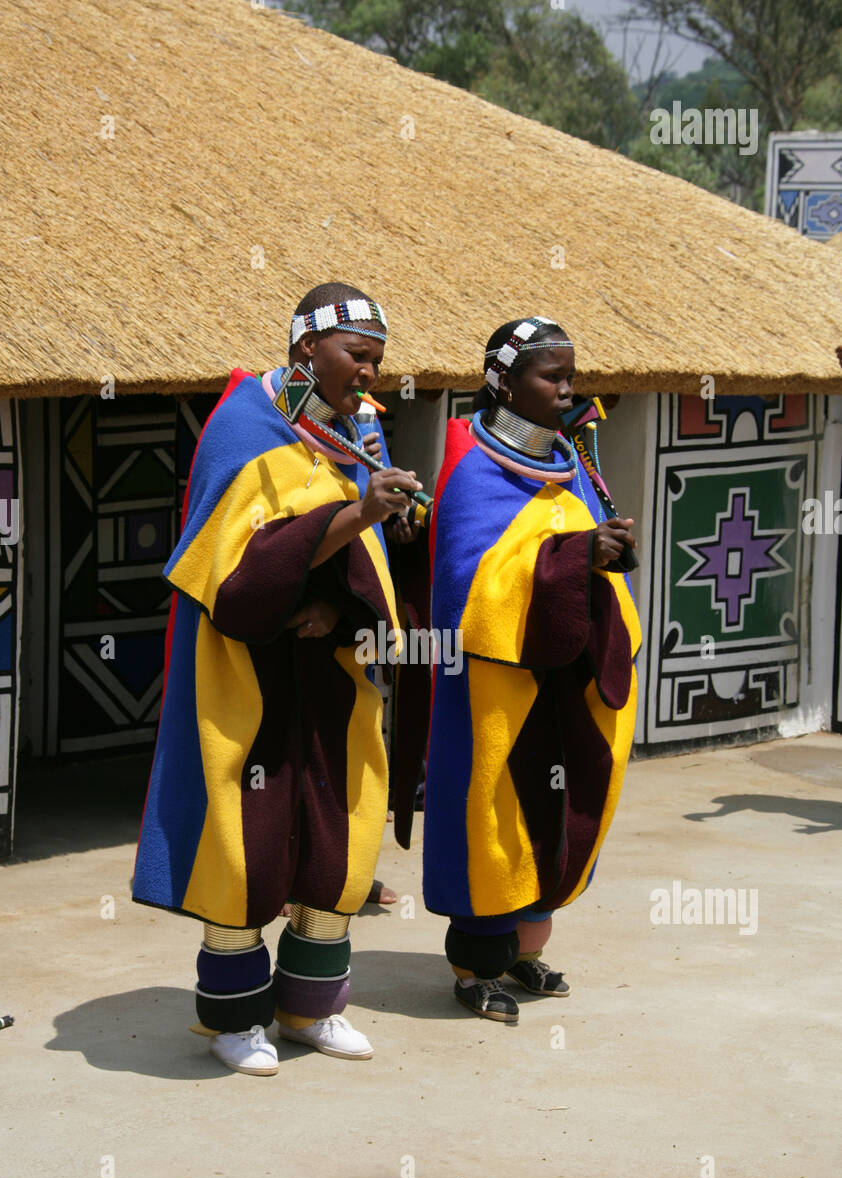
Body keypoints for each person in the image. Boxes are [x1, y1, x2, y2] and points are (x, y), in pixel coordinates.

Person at [133, 282, 420, 1073]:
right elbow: (233, 570)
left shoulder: (358, 430)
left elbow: (358, 557)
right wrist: (358, 517)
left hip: (326, 674)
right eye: (357, 357)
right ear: (307, 347)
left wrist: (339, 604)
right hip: (247, 670)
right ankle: (234, 1021)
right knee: (247, 846)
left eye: (377, 362)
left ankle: (312, 1010)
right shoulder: (245, 426)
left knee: (333, 840)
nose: (369, 375)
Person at [422, 316, 641, 1023]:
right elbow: (469, 585)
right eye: (553, 376)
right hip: (495, 683)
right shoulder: (474, 472)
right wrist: (578, 556)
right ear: (506, 382)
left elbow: (559, 544)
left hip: (558, 676)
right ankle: (474, 966)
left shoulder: (570, 460)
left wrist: (599, 553)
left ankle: (522, 951)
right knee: (490, 809)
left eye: (571, 375)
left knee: (552, 803)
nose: (568, 388)